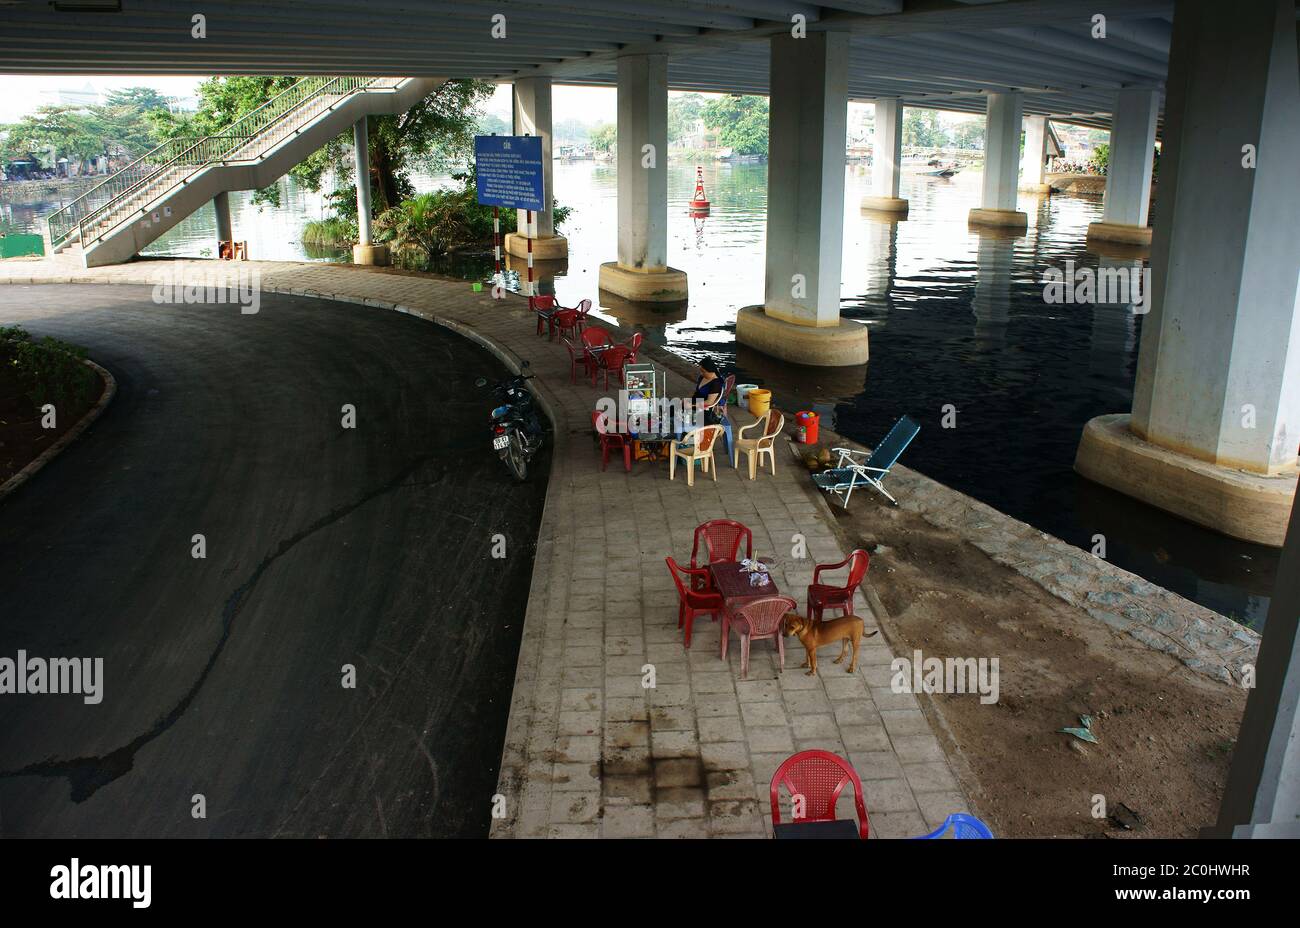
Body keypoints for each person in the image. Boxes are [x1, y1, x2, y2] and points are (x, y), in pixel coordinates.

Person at [693, 357, 725, 427]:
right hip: (695, 402)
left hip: (703, 407)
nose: (701, 373)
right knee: (670, 407)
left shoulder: (716, 383)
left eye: (703, 371)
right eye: (700, 371)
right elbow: (697, 392)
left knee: (672, 410)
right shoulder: (702, 377)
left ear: (710, 370)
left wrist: (692, 405)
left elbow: (709, 402)